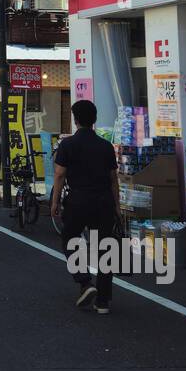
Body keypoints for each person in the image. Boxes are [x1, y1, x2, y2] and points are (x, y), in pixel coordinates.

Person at [51, 99, 119, 315]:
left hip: (78, 201)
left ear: (76, 119)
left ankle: (84, 281)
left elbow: (60, 174)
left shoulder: (68, 144)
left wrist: (55, 202)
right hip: (104, 201)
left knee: (69, 239)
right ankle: (103, 302)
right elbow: (113, 179)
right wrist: (117, 206)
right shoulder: (105, 146)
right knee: (105, 249)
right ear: (95, 120)